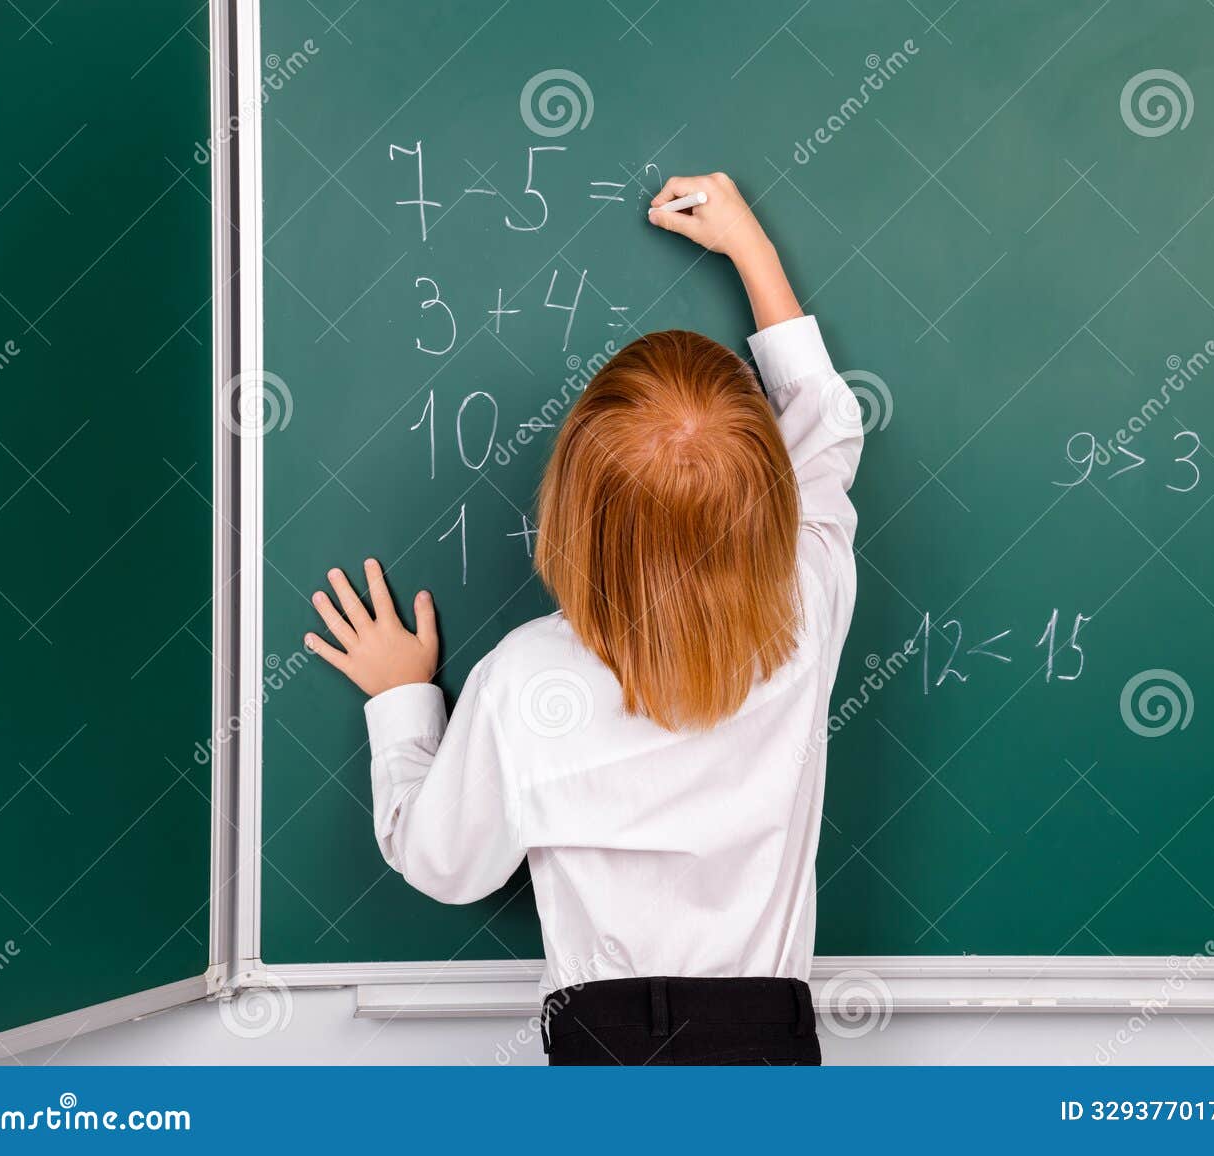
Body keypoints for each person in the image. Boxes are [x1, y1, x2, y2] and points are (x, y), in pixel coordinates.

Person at [305, 172, 864, 1065]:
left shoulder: (525, 679)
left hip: (610, 1056)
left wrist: (406, 699)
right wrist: (753, 252)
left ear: (573, 512)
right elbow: (826, 428)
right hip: (771, 1049)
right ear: (769, 500)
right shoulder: (807, 601)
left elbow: (448, 865)